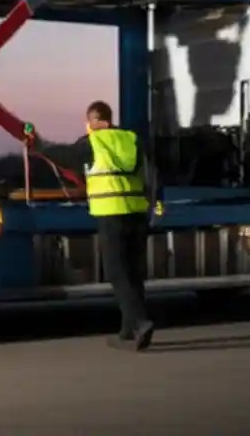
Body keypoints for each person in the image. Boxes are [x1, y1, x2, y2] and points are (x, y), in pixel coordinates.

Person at [76, 100, 155, 351]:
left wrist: (35, 143)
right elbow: (152, 173)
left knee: (115, 272)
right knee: (132, 272)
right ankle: (126, 332)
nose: (88, 126)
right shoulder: (132, 139)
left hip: (111, 215)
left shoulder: (94, 142)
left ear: (99, 121)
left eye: (90, 120)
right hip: (137, 213)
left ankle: (141, 322)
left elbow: (61, 154)